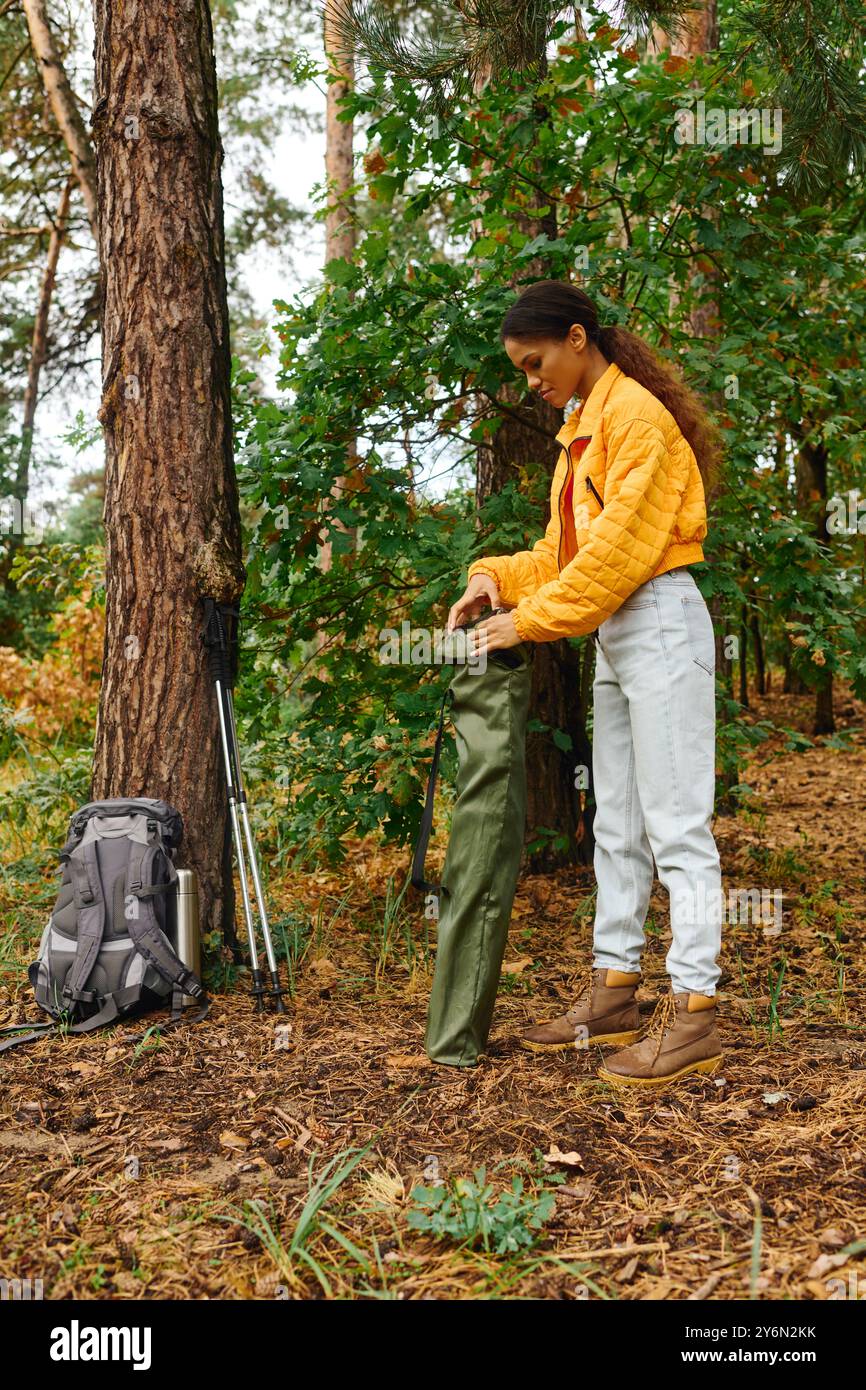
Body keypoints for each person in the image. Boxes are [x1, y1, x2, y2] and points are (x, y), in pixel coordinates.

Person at [446, 278, 725, 1088]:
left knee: (677, 824)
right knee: (619, 822)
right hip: (616, 627)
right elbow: (564, 559)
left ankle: (696, 1011)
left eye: (536, 363)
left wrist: (526, 624)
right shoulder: (583, 430)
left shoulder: (635, 417)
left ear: (577, 338)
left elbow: (615, 559)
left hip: (661, 620)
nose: (532, 380)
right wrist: (494, 579)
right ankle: (614, 992)